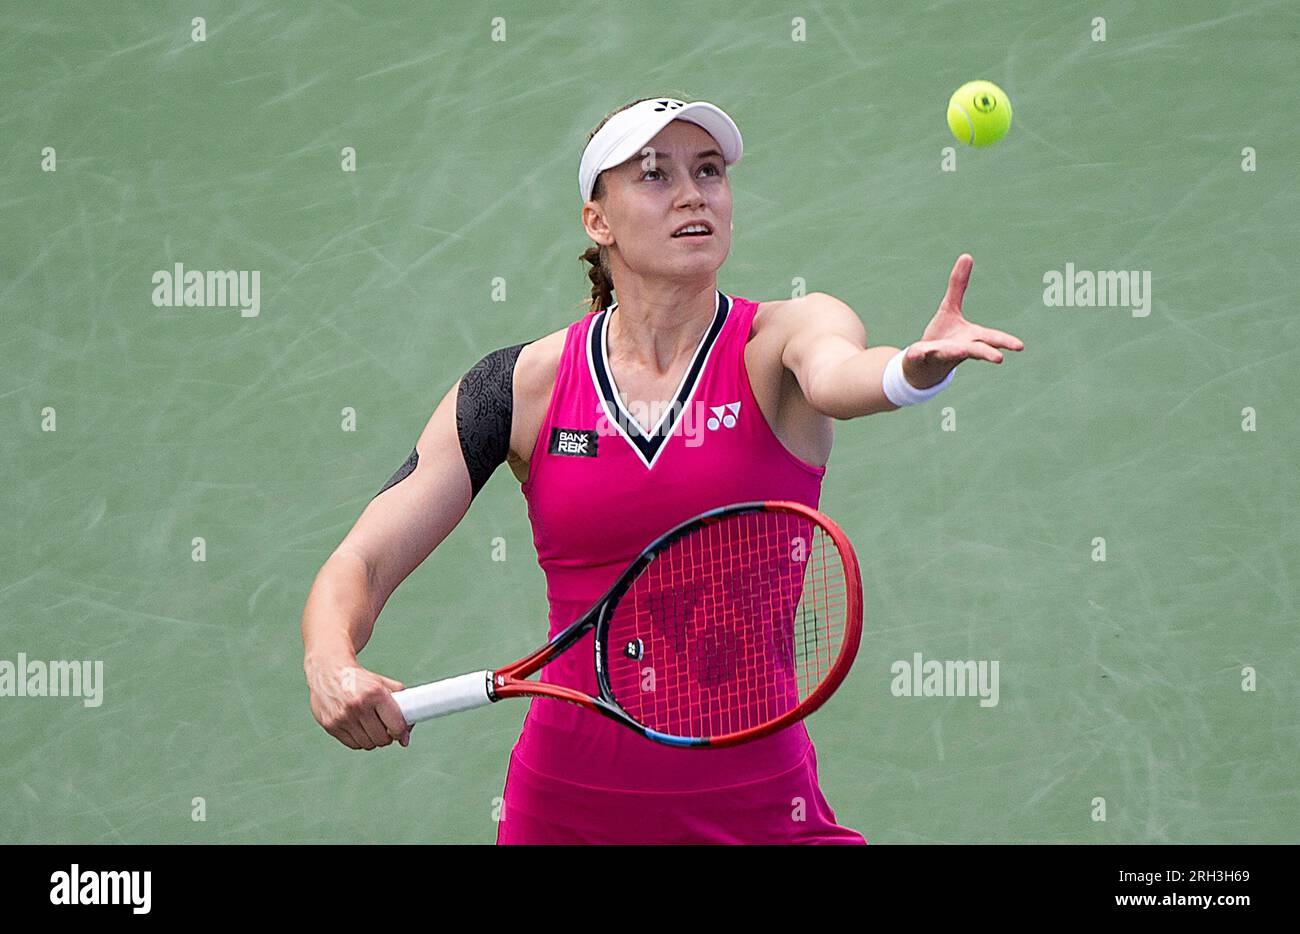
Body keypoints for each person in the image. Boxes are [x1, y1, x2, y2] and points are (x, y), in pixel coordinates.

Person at [301, 96, 1024, 844]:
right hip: (565, 812)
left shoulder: (781, 340)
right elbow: (362, 559)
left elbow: (845, 374)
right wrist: (331, 661)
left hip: (763, 810)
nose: (692, 193)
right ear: (598, 221)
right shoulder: (519, 387)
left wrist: (913, 371)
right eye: (654, 174)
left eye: (709, 171)